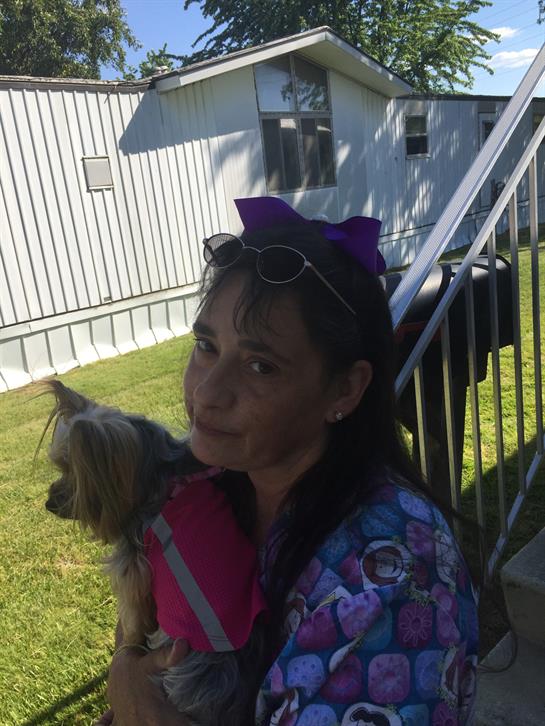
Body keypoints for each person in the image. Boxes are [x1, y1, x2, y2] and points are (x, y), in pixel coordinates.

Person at [99, 197, 479, 726]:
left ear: (344, 389)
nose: (206, 393)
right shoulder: (198, 482)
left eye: (260, 366)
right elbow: (146, 606)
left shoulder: (395, 576)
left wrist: (139, 704)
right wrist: (125, 667)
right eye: (206, 345)